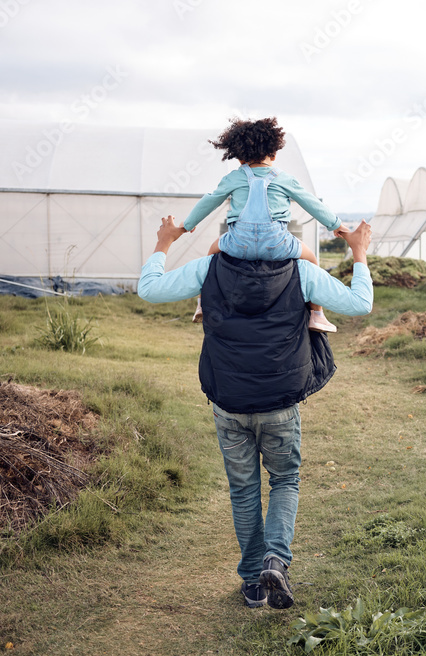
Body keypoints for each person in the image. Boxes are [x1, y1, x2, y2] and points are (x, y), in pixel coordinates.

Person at [138, 214, 373, 610]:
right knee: (285, 480)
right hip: (280, 401)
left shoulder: (209, 267)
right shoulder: (302, 271)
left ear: (230, 232)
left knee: (244, 490)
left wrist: (164, 242)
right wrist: (359, 251)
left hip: (228, 401)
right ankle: (275, 561)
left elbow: (149, 289)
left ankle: (252, 584)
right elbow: (360, 304)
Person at [181, 116, 349, 332]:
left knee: (211, 254)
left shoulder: (233, 178)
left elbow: (210, 200)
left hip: (238, 244)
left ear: (239, 158)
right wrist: (336, 225)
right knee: (311, 260)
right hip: (277, 245)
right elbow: (312, 203)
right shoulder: (284, 178)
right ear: (274, 153)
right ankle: (317, 313)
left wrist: (188, 224)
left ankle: (203, 303)